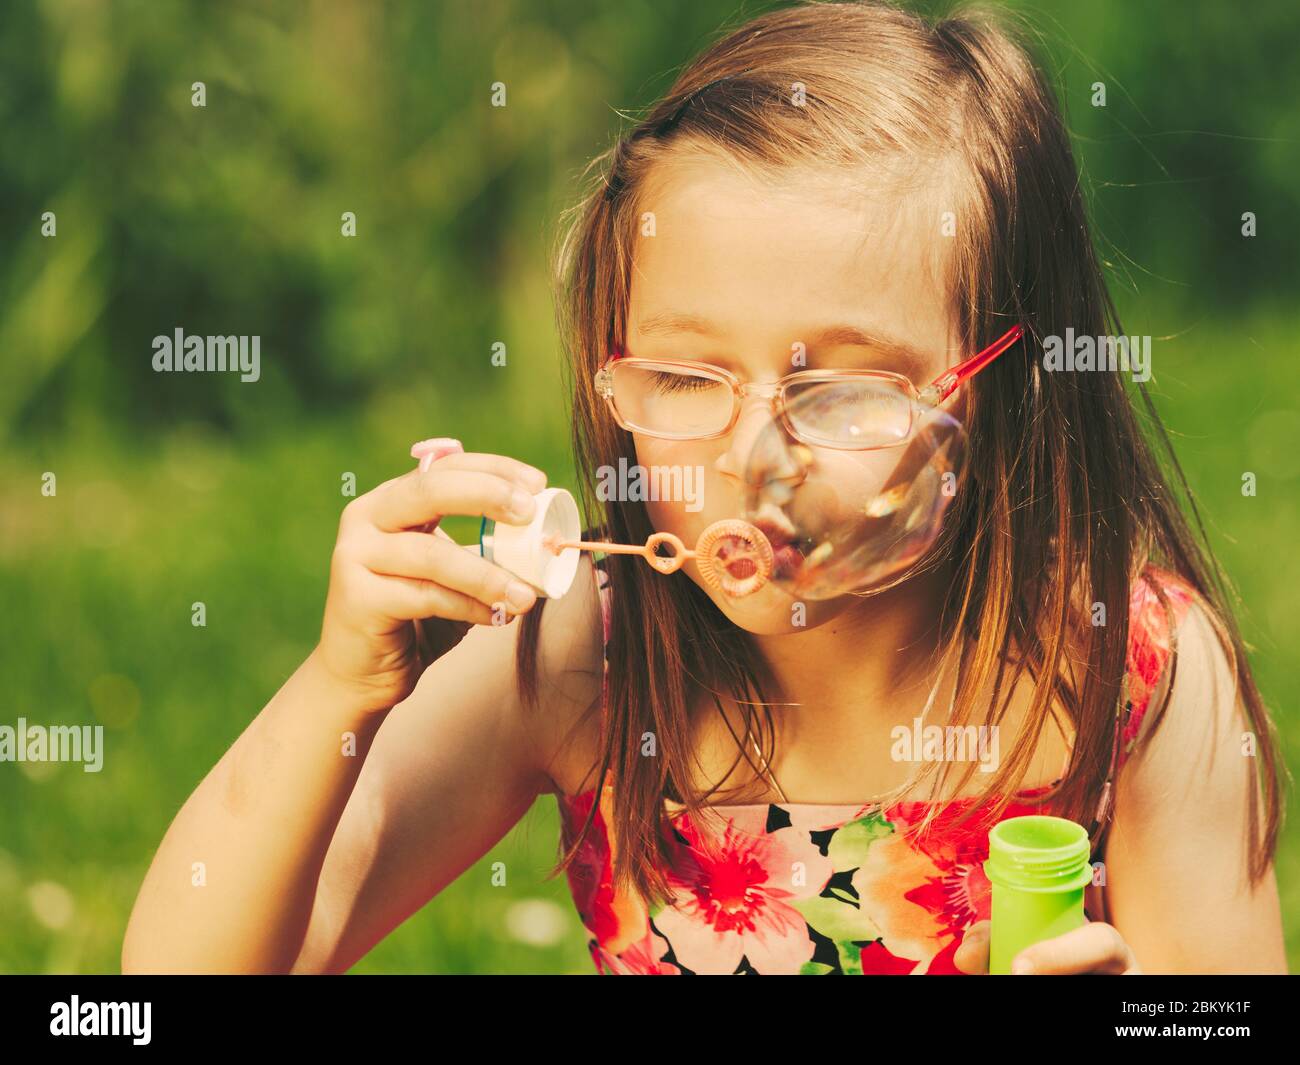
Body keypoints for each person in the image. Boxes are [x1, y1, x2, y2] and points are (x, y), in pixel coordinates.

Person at [122, 0, 1287, 975]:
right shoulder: (579, 657)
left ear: (1004, 381)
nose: (747, 458)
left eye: (841, 390)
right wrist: (337, 693)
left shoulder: (1123, 679)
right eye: (683, 375)